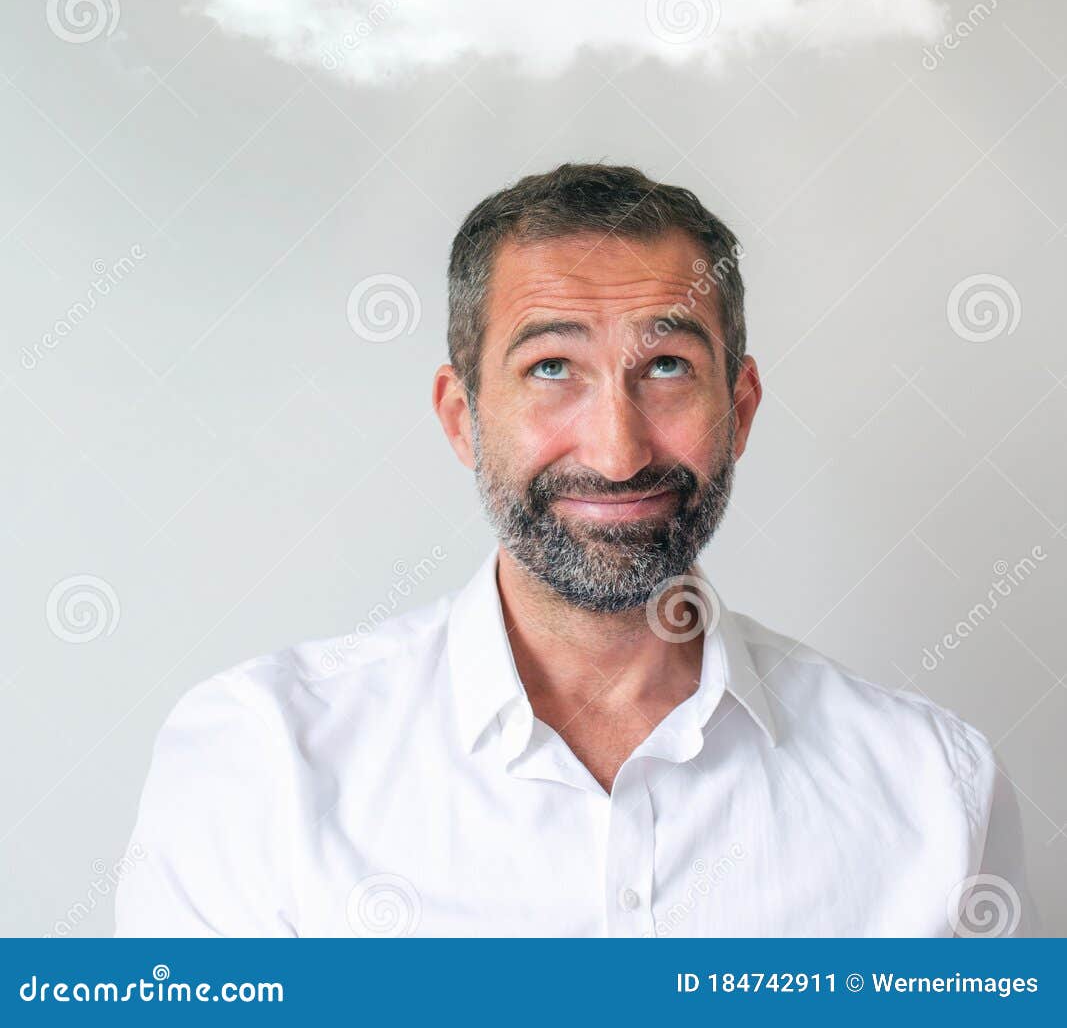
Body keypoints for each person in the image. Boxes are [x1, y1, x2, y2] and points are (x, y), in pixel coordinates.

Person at [114, 163, 1038, 937]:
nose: (616, 450)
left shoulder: (932, 789)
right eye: (551, 368)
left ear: (741, 408)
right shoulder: (260, 763)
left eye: (666, 366)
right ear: (460, 416)